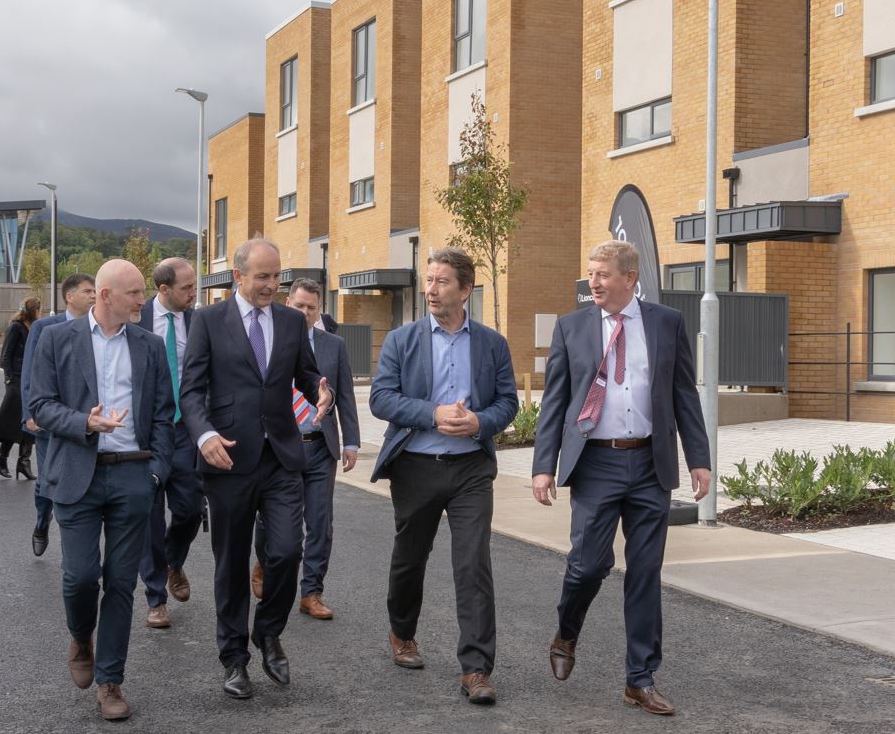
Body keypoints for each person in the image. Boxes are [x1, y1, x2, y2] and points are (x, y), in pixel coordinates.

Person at [531, 240, 711, 717]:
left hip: (650, 464)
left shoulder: (667, 323)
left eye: (602, 274)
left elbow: (684, 394)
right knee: (588, 565)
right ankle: (567, 631)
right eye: (591, 273)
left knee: (645, 572)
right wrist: (543, 465)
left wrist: (698, 458)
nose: (593, 282)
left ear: (629, 278)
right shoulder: (572, 327)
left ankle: (640, 679)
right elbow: (555, 401)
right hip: (596, 463)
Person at [179, 237, 331, 700]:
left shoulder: (290, 320)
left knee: (285, 551)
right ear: (238, 276)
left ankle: (268, 633)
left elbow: (305, 372)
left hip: (280, 456)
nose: (272, 285)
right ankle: (233, 658)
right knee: (230, 563)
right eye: (263, 276)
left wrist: (319, 389)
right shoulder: (208, 321)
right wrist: (204, 436)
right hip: (227, 457)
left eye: (277, 276)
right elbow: (191, 391)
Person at [368, 247, 518, 705]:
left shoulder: (492, 343)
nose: (431, 290)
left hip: (471, 468)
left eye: (442, 282)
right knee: (410, 558)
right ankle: (402, 632)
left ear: (466, 289)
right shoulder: (402, 340)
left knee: (473, 564)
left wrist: (479, 422)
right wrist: (432, 414)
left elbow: (508, 402)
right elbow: (381, 398)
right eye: (428, 281)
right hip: (415, 466)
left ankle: (476, 669)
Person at [28, 259, 175, 722]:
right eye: (135, 293)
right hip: (77, 472)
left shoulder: (150, 345)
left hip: (133, 474)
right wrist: (84, 423)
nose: (142, 300)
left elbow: (164, 414)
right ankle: (80, 636)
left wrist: (156, 472)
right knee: (80, 576)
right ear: (106, 296)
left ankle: (110, 680)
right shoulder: (56, 339)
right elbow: (39, 405)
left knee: (120, 582)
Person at [251, 277, 359, 620]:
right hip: (280, 447)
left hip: (319, 446)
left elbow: (345, 395)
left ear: (319, 308)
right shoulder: (270, 337)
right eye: (299, 306)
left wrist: (351, 442)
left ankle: (311, 591)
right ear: (288, 304)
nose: (305, 312)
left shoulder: (333, 345)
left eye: (312, 307)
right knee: (271, 519)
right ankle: (265, 562)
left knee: (320, 523)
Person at [137, 257, 204, 630]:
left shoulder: (199, 322)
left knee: (190, 509)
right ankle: (155, 598)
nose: (193, 293)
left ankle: (173, 561)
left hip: (184, 431)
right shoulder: (138, 319)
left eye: (194, 285)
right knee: (149, 517)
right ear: (164, 289)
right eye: (187, 287)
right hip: (146, 434)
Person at [20, 273, 96, 556]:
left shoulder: (98, 328)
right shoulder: (45, 327)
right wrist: (30, 413)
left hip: (84, 420)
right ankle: (42, 521)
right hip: (49, 419)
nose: (93, 296)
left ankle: (73, 539)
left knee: (79, 480)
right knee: (47, 479)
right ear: (69, 296)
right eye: (87, 291)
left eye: (95, 291)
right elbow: (30, 371)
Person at [0, 297, 40, 479]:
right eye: (38, 309)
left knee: (30, 420)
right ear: (34, 310)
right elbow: (6, 355)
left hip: (31, 380)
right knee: (13, 420)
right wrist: (10, 379)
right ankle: (2, 458)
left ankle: (23, 462)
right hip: (16, 380)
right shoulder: (16, 328)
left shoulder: (34, 328)